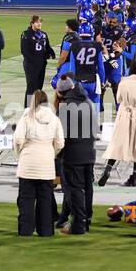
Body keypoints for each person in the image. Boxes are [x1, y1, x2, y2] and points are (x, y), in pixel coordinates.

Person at [14, 90, 64, 237]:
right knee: (45, 199)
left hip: (28, 163)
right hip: (46, 164)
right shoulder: (54, 119)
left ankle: (26, 230)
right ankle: (46, 230)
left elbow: (18, 139)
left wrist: (20, 153)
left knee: (26, 199)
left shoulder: (26, 117)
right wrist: (51, 152)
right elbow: (60, 143)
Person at [98, 61, 136, 187]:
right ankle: (134, 177)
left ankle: (108, 169)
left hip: (124, 114)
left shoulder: (124, 82)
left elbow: (118, 99)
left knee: (117, 143)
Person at [55, 76, 98, 235]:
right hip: (89, 153)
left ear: (61, 91)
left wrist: (59, 154)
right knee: (87, 188)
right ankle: (86, 221)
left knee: (75, 191)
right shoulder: (88, 102)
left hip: (73, 155)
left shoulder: (66, 106)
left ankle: (78, 225)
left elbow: (63, 136)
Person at [20, 15, 53, 101]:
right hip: (31, 65)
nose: (39, 24)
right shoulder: (26, 34)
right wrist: (33, 61)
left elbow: (47, 47)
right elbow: (24, 50)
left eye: (40, 22)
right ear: (32, 23)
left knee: (39, 87)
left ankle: (37, 106)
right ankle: (28, 108)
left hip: (41, 64)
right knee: (31, 87)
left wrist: (51, 52)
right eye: (37, 22)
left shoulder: (44, 35)